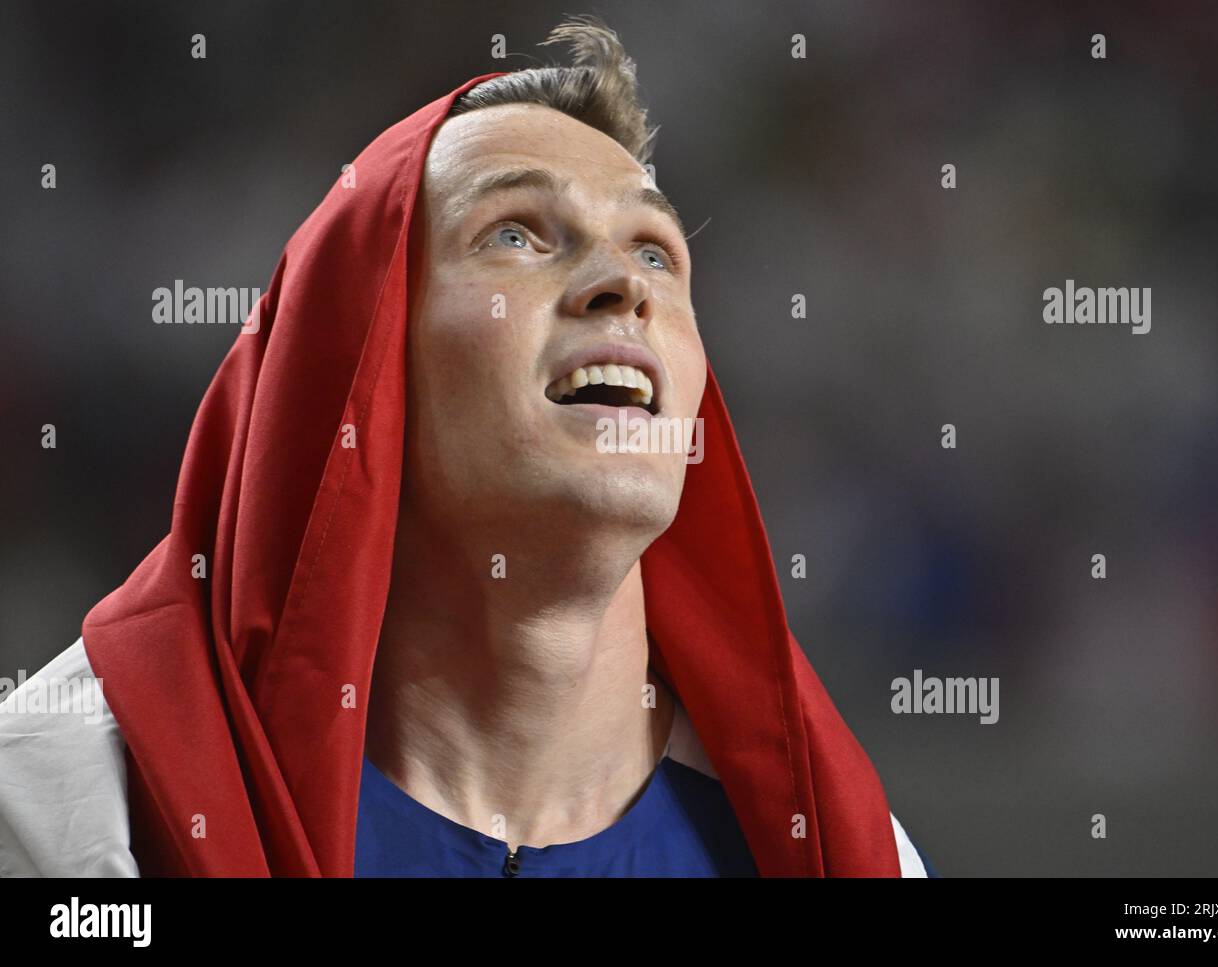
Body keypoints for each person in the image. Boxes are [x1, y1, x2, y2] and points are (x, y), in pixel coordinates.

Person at [0, 16, 934, 878]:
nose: (623, 284)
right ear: (353, 365)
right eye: (519, 234)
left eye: (655, 251)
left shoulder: (843, 845)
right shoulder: (64, 811)